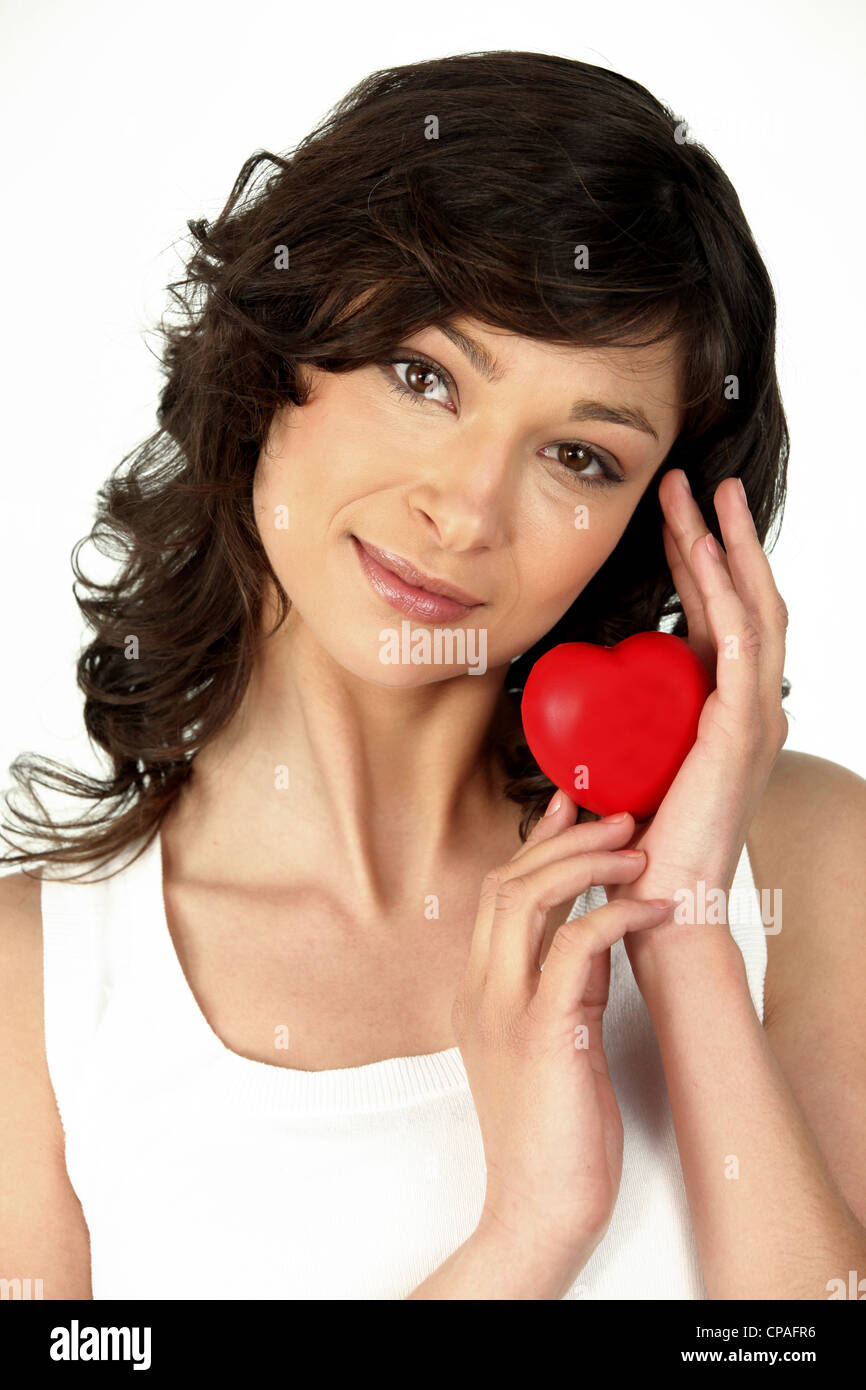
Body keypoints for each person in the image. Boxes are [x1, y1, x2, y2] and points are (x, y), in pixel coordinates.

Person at [1, 50, 864, 1302]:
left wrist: (685, 944)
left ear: (646, 523)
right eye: (424, 378)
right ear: (278, 356)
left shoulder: (801, 854)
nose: (462, 511)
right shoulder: (40, 996)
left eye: (577, 454)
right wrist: (527, 1230)